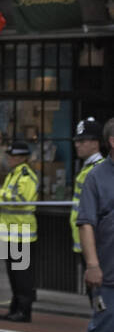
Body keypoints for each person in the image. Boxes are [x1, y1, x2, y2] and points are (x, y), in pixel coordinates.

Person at [76, 116, 114, 332]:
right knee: (102, 331)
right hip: (107, 271)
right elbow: (86, 223)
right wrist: (92, 265)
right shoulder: (96, 177)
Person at [0, 138, 38, 322]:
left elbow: (20, 200)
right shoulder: (14, 174)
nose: (9, 159)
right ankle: (15, 308)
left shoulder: (26, 175)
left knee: (22, 276)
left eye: (12, 156)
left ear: (21, 158)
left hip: (22, 233)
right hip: (11, 232)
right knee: (14, 275)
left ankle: (24, 311)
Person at [70, 118, 104, 307]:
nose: (77, 145)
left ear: (95, 143)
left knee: (99, 296)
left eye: (82, 141)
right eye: (77, 141)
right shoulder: (88, 169)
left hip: (95, 245)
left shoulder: (98, 170)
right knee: (94, 296)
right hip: (85, 243)